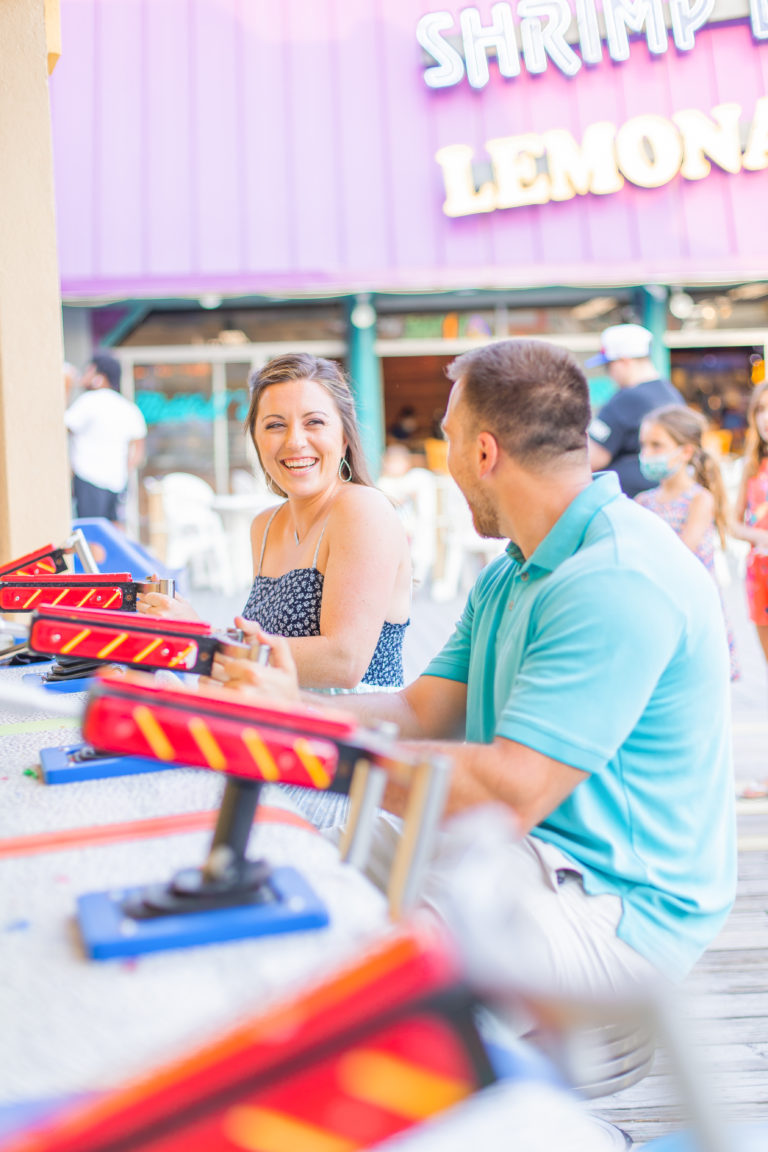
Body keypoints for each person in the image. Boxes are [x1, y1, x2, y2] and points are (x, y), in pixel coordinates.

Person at [218, 339, 735, 997]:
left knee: (370, 984)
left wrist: (304, 744)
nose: (450, 464)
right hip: (520, 849)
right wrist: (282, 705)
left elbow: (509, 791)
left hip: (615, 902)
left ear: (483, 453)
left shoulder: (615, 577)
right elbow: (417, 710)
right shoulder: (513, 569)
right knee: (285, 863)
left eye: (451, 441)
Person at [142, 353, 412, 693]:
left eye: (314, 422)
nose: (295, 441)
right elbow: (263, 656)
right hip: (280, 724)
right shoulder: (265, 526)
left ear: (344, 437)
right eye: (275, 425)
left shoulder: (362, 508)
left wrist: (204, 638)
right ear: (256, 440)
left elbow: (343, 661)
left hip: (354, 735)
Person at [635, 404, 738, 680]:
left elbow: (679, 553)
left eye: (657, 445)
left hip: (693, 606)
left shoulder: (699, 499)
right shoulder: (643, 501)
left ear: (686, 451)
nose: (647, 454)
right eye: (644, 445)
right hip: (657, 606)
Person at [586, 323, 684, 497]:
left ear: (624, 361)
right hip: (666, 500)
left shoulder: (626, 399)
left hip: (628, 504)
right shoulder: (671, 393)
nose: (609, 374)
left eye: (608, 366)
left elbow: (591, 459)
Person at [731, 380, 768, 794]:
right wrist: (757, 537)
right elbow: (733, 520)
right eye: (760, 410)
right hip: (760, 578)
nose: (766, 418)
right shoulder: (751, 466)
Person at [65, 353, 147, 523]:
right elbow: (138, 451)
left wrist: (67, 386)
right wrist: (123, 470)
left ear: (99, 376)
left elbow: (62, 427)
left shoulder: (89, 401)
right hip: (117, 481)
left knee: (91, 532)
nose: (83, 375)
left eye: (88, 370)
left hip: (89, 478)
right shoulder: (128, 407)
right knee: (113, 530)